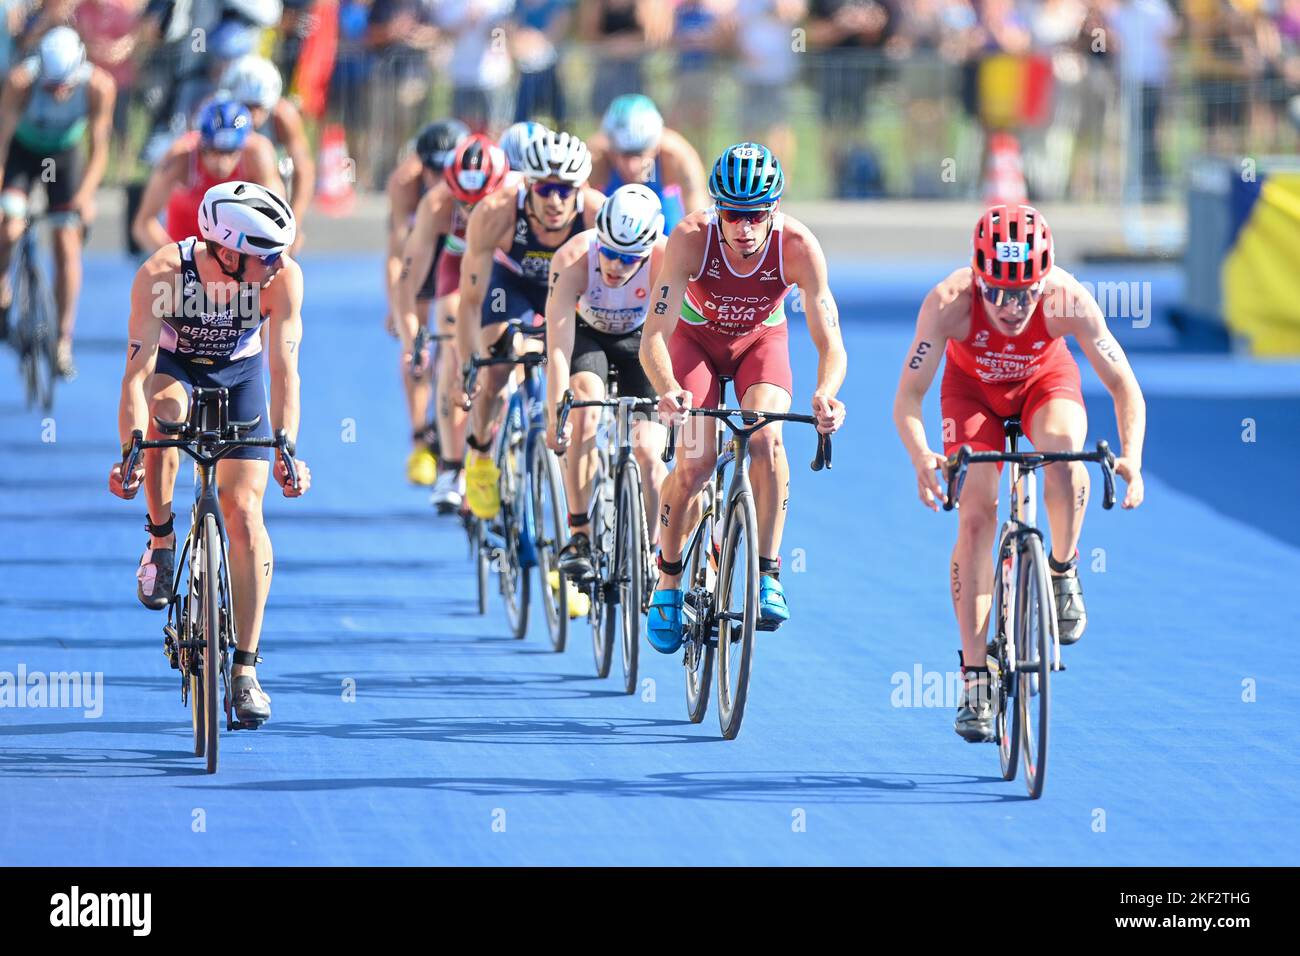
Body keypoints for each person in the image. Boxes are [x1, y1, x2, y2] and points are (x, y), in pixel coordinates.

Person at [891, 204, 1147, 743]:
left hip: (1043, 383)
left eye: (1024, 293)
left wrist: (1134, 458)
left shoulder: (1068, 299)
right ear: (977, 278)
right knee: (976, 516)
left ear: (1044, 281)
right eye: (997, 293)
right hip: (972, 394)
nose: (1011, 307)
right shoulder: (948, 303)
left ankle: (1060, 567)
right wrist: (921, 456)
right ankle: (976, 677)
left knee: (1063, 449)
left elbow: (1124, 385)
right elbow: (909, 397)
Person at [109, 181, 312, 728]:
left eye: (279, 251)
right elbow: (137, 376)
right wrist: (129, 449)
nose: (277, 263)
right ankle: (160, 538)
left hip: (240, 372)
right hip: (175, 366)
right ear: (225, 250)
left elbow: (283, 370)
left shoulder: (282, 279)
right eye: (264, 254)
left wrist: (288, 444)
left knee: (245, 513)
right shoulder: (163, 275)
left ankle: (245, 671)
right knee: (166, 415)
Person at [638, 142, 847, 652]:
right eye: (733, 215)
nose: (745, 229)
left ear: (773, 210)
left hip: (760, 343)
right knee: (696, 459)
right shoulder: (689, 238)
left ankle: (768, 572)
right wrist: (667, 390)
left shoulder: (797, 246)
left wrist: (826, 393)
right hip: (695, 342)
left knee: (767, 440)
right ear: (717, 210)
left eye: (756, 215)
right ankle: (667, 578)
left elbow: (830, 340)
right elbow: (655, 336)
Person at [456, 128, 603, 619]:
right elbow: (471, 300)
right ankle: (479, 455)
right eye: (546, 190)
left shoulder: (597, 215)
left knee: (584, 398)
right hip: (513, 287)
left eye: (567, 191)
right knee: (497, 367)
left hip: (573, 293)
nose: (557, 201)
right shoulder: (496, 212)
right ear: (528, 187)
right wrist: (467, 366)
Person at [544, 183, 668, 580]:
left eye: (628, 258)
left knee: (650, 454)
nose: (614, 265)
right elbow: (559, 351)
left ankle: (650, 550)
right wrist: (554, 416)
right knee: (585, 410)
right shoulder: (572, 258)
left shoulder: (667, 258)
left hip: (641, 339)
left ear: (647, 253)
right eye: (609, 252)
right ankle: (579, 532)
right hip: (587, 335)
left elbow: (681, 336)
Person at [395, 133, 514, 513]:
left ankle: (506, 439)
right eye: (462, 202)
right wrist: (411, 335)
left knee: (512, 350)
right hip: (459, 266)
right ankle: (450, 463)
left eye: (479, 203)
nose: (469, 211)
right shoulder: (437, 204)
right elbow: (408, 278)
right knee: (451, 340)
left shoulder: (518, 200)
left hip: (506, 269)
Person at [0, 26, 116, 378]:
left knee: (67, 244)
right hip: (23, 154)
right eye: (51, 87)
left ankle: (62, 340)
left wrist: (85, 196)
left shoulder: (98, 87)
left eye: (65, 86)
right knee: (8, 229)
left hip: (65, 158)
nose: (60, 93)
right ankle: (4, 297)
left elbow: (99, 150)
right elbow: (2, 143)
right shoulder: (22, 81)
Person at [384, 118, 468, 483]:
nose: (439, 176)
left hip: (465, 248)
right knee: (415, 344)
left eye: (447, 168)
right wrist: (398, 312)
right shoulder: (404, 184)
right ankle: (420, 440)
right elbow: (397, 254)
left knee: (458, 328)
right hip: (422, 250)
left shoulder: (476, 177)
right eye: (432, 168)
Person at [131, 98, 284, 254]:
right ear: (202, 143)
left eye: (230, 152)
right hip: (186, 240)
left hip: (235, 243)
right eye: (214, 151)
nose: (222, 163)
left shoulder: (258, 155)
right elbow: (143, 224)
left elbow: (278, 224)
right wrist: (179, 261)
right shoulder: (181, 156)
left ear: (242, 146)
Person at [219, 54, 316, 249]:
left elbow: (304, 170)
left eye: (258, 107)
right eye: (246, 107)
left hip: (270, 201)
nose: (253, 117)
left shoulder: (283, 116)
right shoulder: (219, 114)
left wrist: (294, 224)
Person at [588, 94, 707, 234]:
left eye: (640, 154)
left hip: (664, 216)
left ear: (655, 146)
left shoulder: (675, 156)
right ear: (611, 150)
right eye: (625, 155)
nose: (632, 166)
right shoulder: (595, 158)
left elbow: (699, 219)